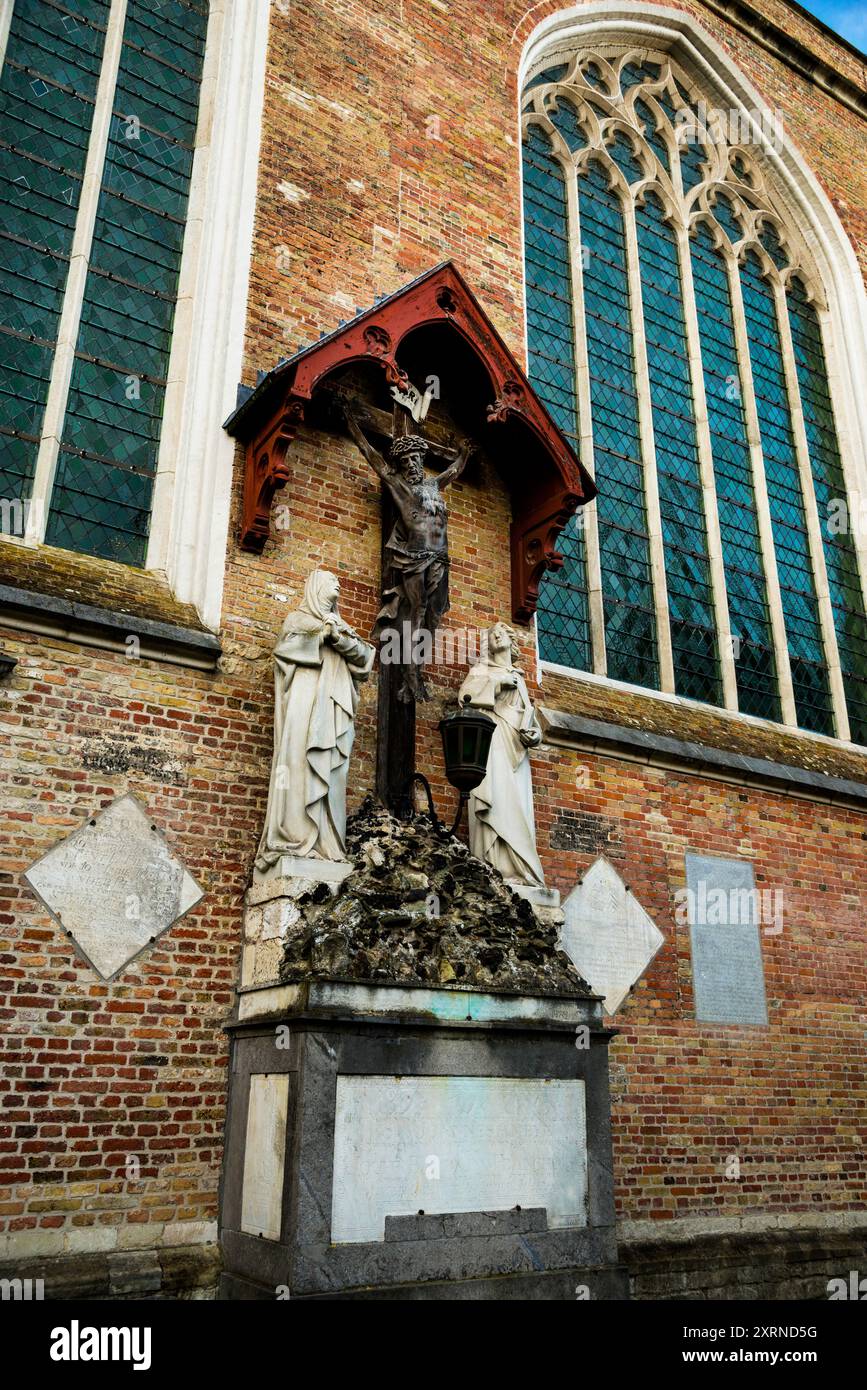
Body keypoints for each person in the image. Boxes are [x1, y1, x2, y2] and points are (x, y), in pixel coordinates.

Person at [345, 407, 471, 702]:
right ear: (400, 466)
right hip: (414, 558)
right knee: (417, 611)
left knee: (434, 617)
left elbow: (453, 470)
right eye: (406, 461)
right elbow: (372, 456)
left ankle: (417, 670)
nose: (413, 465)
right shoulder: (398, 484)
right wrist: (352, 424)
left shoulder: (432, 485)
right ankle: (409, 677)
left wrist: (463, 454)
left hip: (441, 558)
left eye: (416, 459)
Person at [254, 569, 374, 874]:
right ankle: (294, 835)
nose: (338, 584)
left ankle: (327, 842)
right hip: (304, 706)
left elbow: (365, 657)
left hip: (333, 714)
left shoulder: (342, 625)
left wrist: (338, 636)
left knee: (332, 769)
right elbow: (285, 649)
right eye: (331, 580)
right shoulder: (297, 620)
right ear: (316, 587)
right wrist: (321, 634)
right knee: (298, 763)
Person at [458, 621, 546, 888]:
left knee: (515, 802)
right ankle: (492, 862)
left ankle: (519, 869)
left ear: (510, 640)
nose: (496, 636)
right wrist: (497, 683)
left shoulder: (519, 677)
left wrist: (536, 734)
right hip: (493, 739)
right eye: (491, 635)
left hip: (516, 749)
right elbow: (466, 697)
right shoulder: (482, 670)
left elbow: (528, 715)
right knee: (494, 795)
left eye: (501, 633)